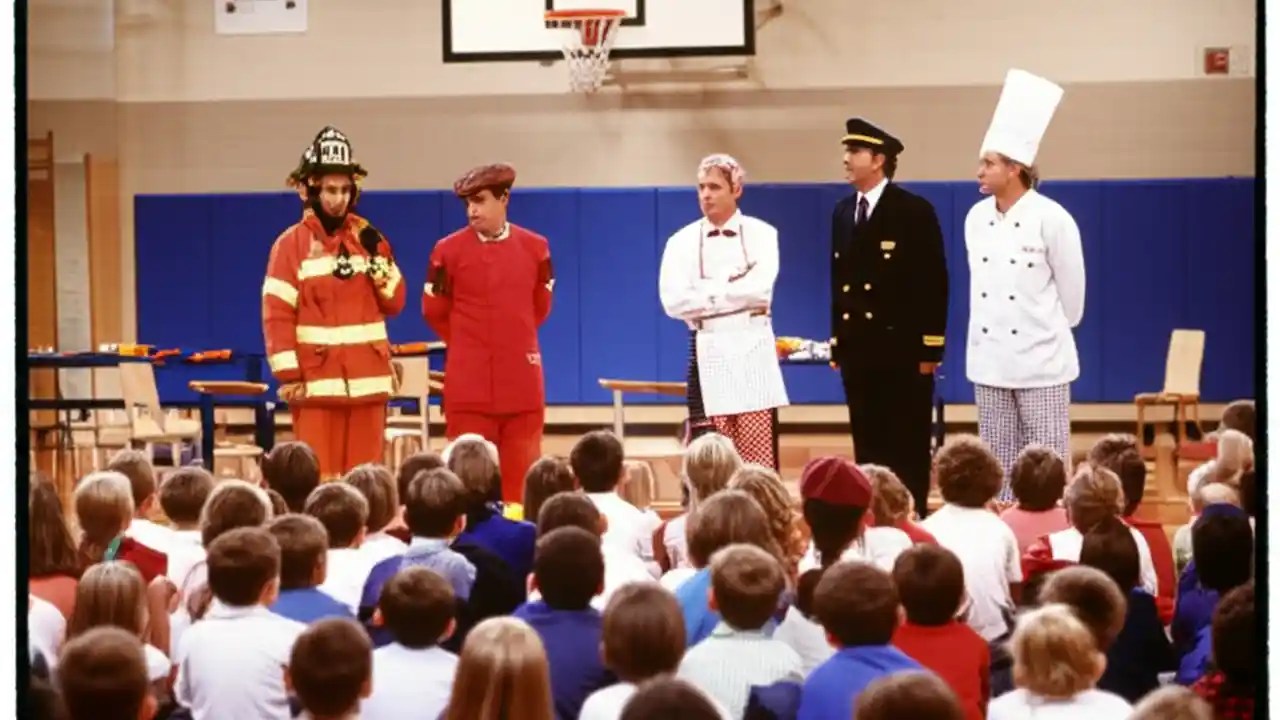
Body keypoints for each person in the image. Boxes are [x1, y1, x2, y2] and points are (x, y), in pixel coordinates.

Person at [965, 69, 1085, 501]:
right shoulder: (975, 218)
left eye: (989, 163)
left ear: (1015, 169)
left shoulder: (1053, 218)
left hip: (1041, 362)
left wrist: (1046, 332)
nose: (979, 171)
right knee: (998, 468)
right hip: (991, 362)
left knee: (1048, 466)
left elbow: (1073, 297)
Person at [263, 127, 406, 480]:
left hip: (369, 385)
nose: (338, 199)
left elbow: (395, 302)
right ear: (310, 190)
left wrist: (381, 268)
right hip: (315, 388)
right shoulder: (289, 246)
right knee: (320, 485)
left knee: (367, 485)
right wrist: (290, 375)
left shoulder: (370, 238)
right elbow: (277, 316)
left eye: (344, 190)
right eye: (330, 190)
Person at [829, 118, 948, 515]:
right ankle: (874, 515)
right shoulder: (843, 212)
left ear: (878, 160)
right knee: (867, 443)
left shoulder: (913, 211)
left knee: (908, 445)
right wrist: (837, 341)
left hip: (902, 354)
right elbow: (839, 281)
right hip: (859, 353)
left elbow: (934, 283)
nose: (846, 159)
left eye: (855, 152)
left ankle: (911, 517)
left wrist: (931, 348)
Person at [423, 163, 554, 503]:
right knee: (467, 484)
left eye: (479, 201)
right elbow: (433, 310)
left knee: (519, 487)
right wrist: (471, 344)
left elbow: (539, 306)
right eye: (467, 203)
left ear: (504, 198)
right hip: (469, 387)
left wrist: (510, 338)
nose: (472, 210)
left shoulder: (536, 248)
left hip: (521, 386)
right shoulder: (446, 252)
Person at [659, 153, 789, 469]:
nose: (706, 195)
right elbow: (673, 301)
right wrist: (731, 291)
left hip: (753, 348)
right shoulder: (681, 242)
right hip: (708, 347)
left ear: (736, 189)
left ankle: (760, 513)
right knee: (711, 455)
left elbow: (760, 290)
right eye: (701, 187)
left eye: (715, 187)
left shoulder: (763, 234)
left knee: (757, 458)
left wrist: (706, 295)